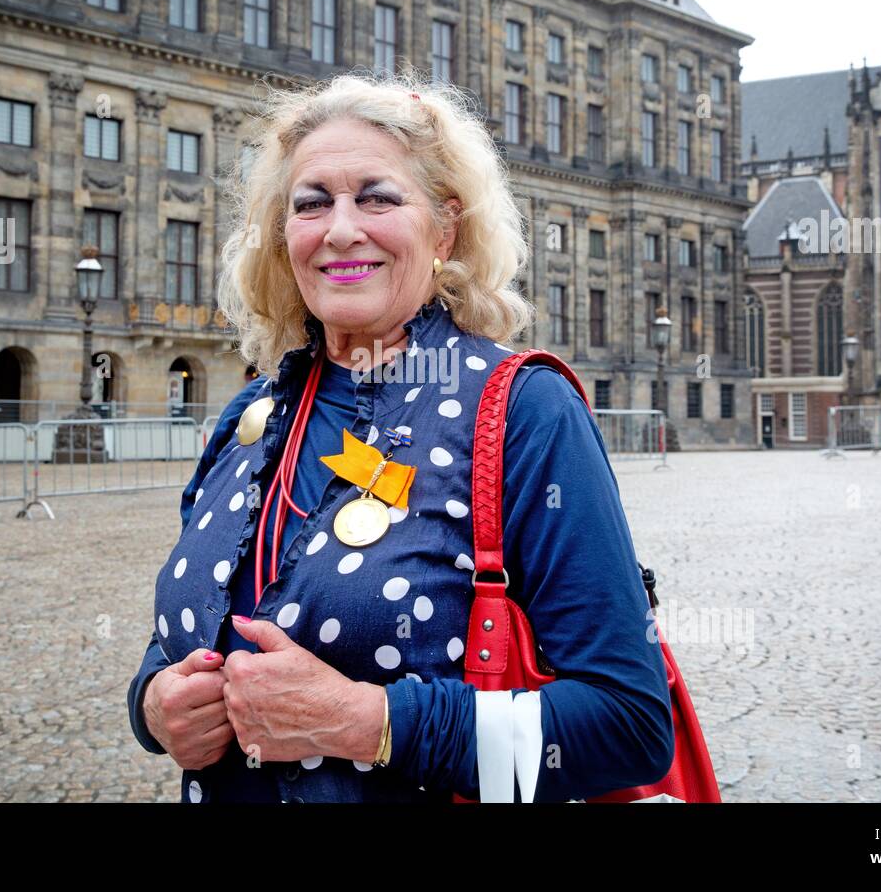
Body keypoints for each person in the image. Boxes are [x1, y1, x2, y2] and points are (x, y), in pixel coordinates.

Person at [125, 72, 674, 803]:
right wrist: (152, 705)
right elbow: (183, 634)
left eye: (377, 197)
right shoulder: (250, 415)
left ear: (445, 229)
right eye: (311, 203)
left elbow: (630, 727)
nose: (341, 228)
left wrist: (370, 722)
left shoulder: (524, 411)